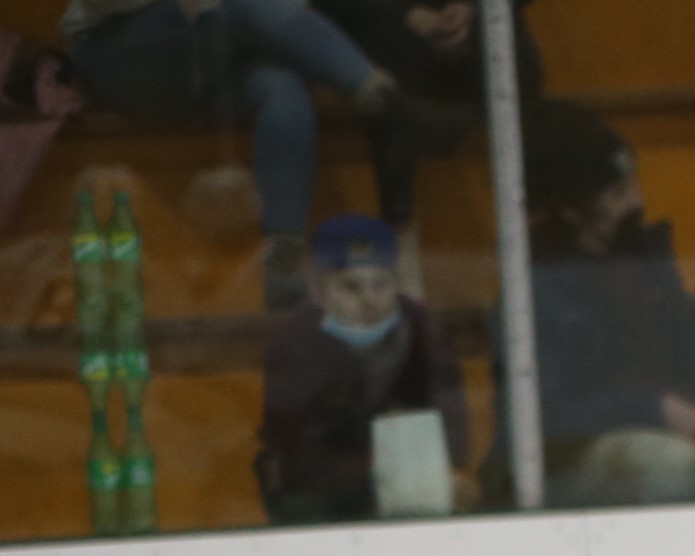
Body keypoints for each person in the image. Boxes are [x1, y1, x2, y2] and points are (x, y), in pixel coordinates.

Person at [55, 0, 395, 310]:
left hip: (202, 51)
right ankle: (376, 93)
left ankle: (282, 264)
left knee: (283, 89)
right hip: (118, 52)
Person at [518, 101, 695, 508]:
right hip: (575, 459)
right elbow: (546, 416)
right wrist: (652, 409)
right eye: (617, 192)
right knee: (668, 466)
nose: (636, 202)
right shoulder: (535, 287)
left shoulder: (647, 261)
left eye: (634, 183)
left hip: (674, 427)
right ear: (570, 210)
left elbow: (687, 352)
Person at [256, 211, 460, 517]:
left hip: (414, 493)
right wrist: (384, 467)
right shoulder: (293, 343)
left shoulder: (423, 331)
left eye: (381, 284)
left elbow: (452, 425)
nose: (370, 300)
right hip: (323, 497)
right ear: (319, 291)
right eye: (351, 286)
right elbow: (296, 455)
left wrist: (451, 471)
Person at [319, 0, 533, 253]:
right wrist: (405, 13)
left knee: (513, 54)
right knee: (397, 52)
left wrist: (471, 10)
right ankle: (399, 229)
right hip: (378, 23)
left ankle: (532, 237)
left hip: (474, 19)